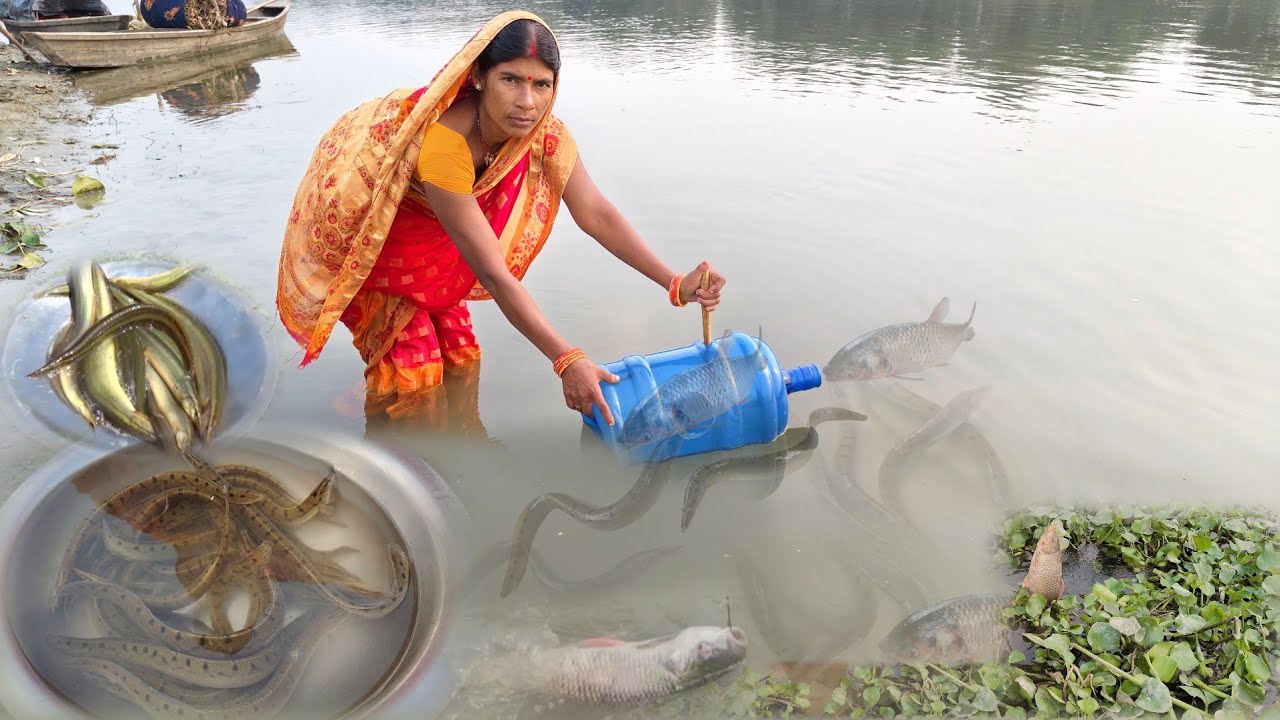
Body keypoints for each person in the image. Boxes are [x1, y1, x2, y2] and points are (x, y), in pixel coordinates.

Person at [276, 10, 726, 426]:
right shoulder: (445, 144)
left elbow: (596, 214)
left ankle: (451, 442)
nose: (527, 101)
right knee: (413, 366)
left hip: (440, 241)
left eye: (541, 84)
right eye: (510, 80)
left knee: (460, 354)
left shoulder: (542, 133)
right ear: (478, 78)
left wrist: (675, 283)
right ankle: (392, 452)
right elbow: (493, 273)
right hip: (381, 237)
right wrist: (566, 360)